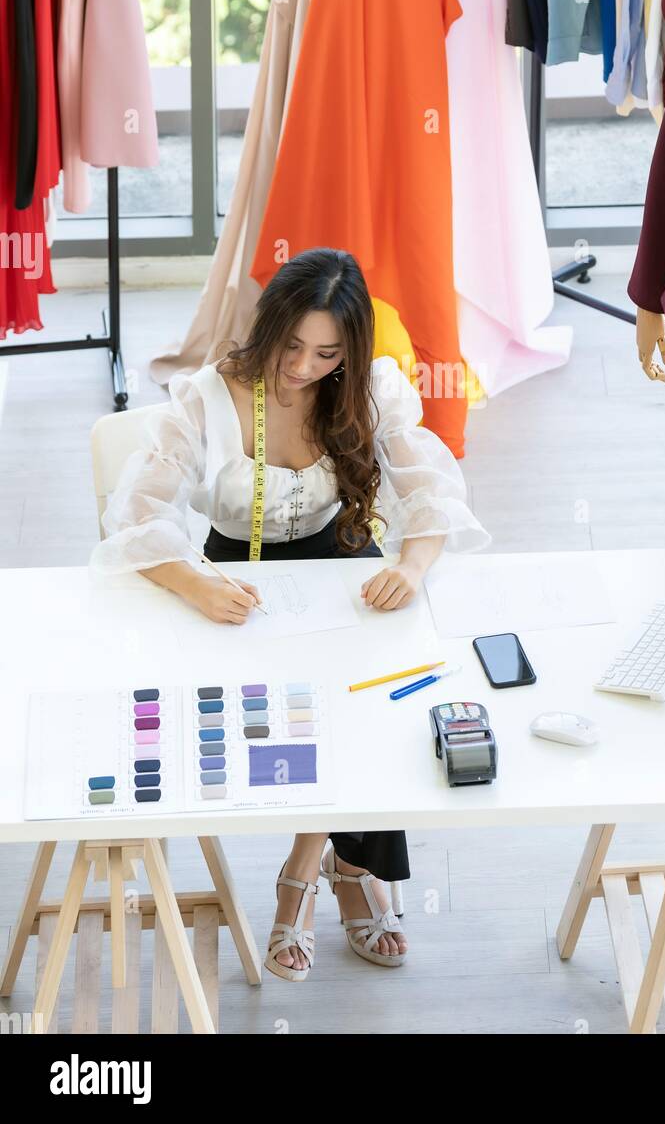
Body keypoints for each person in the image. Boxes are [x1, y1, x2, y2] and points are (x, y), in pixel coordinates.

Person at [91, 248, 490, 981]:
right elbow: (140, 512)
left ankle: (303, 873)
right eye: (293, 345)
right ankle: (346, 870)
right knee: (312, 706)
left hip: (339, 559)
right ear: (268, 325)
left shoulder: (369, 387)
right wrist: (192, 584)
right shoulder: (209, 396)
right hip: (234, 571)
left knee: (380, 690)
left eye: (328, 352)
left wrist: (410, 563)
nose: (305, 366)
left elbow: (426, 482)